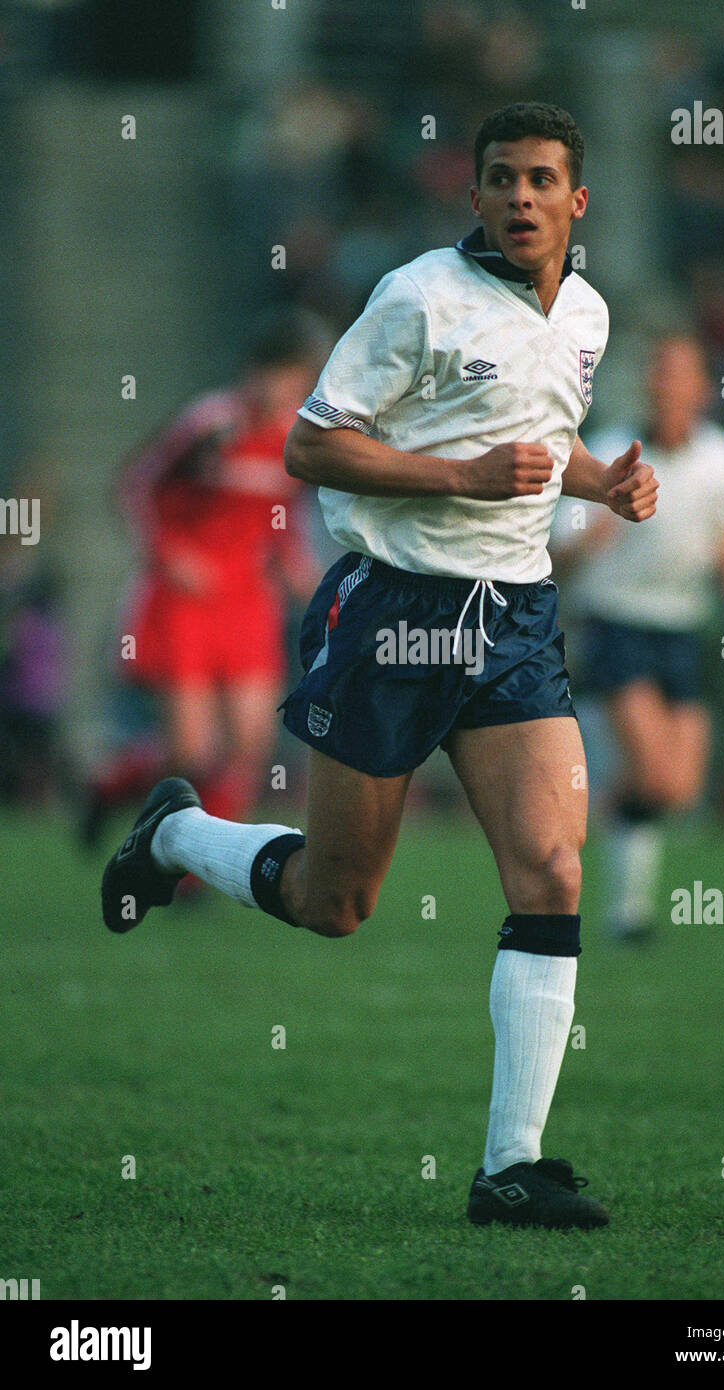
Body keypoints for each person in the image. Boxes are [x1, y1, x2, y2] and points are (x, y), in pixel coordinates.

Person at [102, 102, 658, 1230]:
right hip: (392, 616)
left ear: (575, 201)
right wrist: (459, 479)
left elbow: (541, 439)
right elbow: (313, 442)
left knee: (551, 870)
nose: (519, 198)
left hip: (512, 621)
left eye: (540, 180)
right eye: (499, 178)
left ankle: (511, 1166)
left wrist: (599, 484)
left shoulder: (588, 315)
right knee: (336, 901)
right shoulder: (415, 296)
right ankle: (172, 832)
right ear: (475, 194)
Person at [85, 311, 324, 840]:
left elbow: (280, 522)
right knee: (191, 750)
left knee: (249, 744)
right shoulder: (209, 423)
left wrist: (301, 574)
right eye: (277, 373)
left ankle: (197, 868)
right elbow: (134, 486)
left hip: (246, 599)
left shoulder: (296, 438)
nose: (283, 388)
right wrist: (171, 554)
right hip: (184, 596)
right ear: (254, 370)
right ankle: (114, 783)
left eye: (296, 379)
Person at [551, 333, 724, 942]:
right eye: (660, 370)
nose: (669, 384)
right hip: (618, 625)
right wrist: (596, 534)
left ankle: (618, 896)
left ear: (701, 388)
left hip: (686, 629)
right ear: (647, 381)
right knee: (658, 776)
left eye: (682, 373)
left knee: (681, 789)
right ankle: (623, 905)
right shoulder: (612, 451)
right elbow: (559, 555)